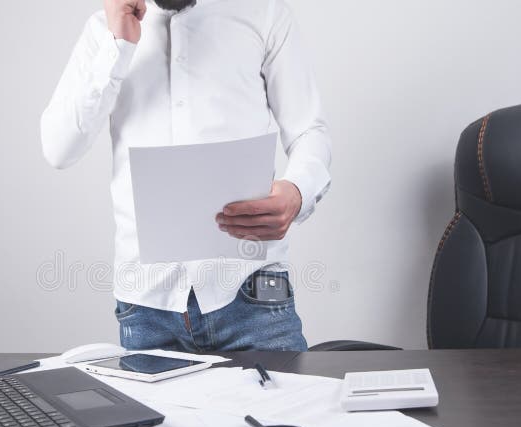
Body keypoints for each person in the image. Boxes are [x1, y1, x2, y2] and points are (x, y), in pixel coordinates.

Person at [41, 0, 331, 352]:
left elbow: (308, 131)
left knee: (288, 406)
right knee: (155, 412)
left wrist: (297, 192)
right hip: (146, 305)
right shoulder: (101, 32)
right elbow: (59, 149)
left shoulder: (264, 13)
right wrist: (117, 45)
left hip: (253, 290)